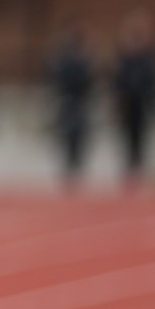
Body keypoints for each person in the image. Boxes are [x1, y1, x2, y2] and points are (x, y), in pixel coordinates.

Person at [112, 9, 155, 191]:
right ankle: (129, 169)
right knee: (127, 137)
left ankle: (140, 169)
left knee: (142, 137)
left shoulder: (150, 55)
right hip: (128, 104)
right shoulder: (124, 55)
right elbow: (116, 80)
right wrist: (117, 100)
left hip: (143, 103)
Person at [47, 22, 95, 192]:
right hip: (67, 101)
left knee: (78, 135)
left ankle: (75, 167)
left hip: (78, 101)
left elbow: (88, 81)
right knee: (67, 134)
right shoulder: (65, 60)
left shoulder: (81, 60)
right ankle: (69, 167)